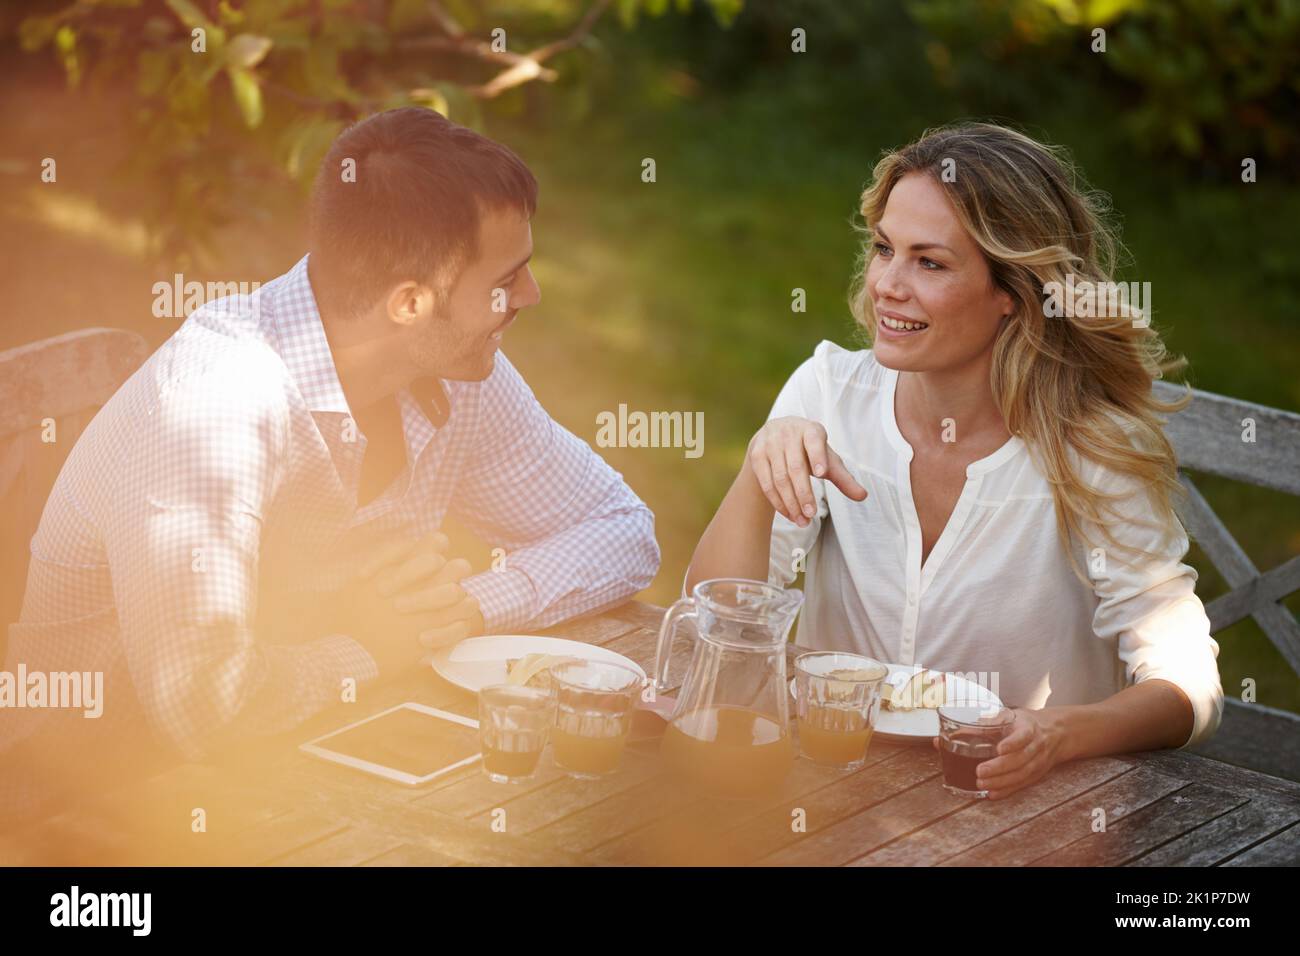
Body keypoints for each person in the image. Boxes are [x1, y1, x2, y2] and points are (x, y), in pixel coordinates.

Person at [2, 107, 660, 821]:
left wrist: (461, 609)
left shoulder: (458, 372)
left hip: (318, 753)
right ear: (409, 302)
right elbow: (205, 711)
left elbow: (622, 529)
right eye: (507, 279)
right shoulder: (212, 413)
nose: (530, 296)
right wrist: (374, 642)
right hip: (86, 801)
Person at [687, 122, 1223, 800]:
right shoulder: (826, 394)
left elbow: (1187, 684)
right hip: (827, 786)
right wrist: (756, 476)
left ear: (1015, 294)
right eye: (884, 249)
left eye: (929, 262)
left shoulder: (1093, 449)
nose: (887, 284)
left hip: (1022, 811)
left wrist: (1056, 734)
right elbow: (715, 638)